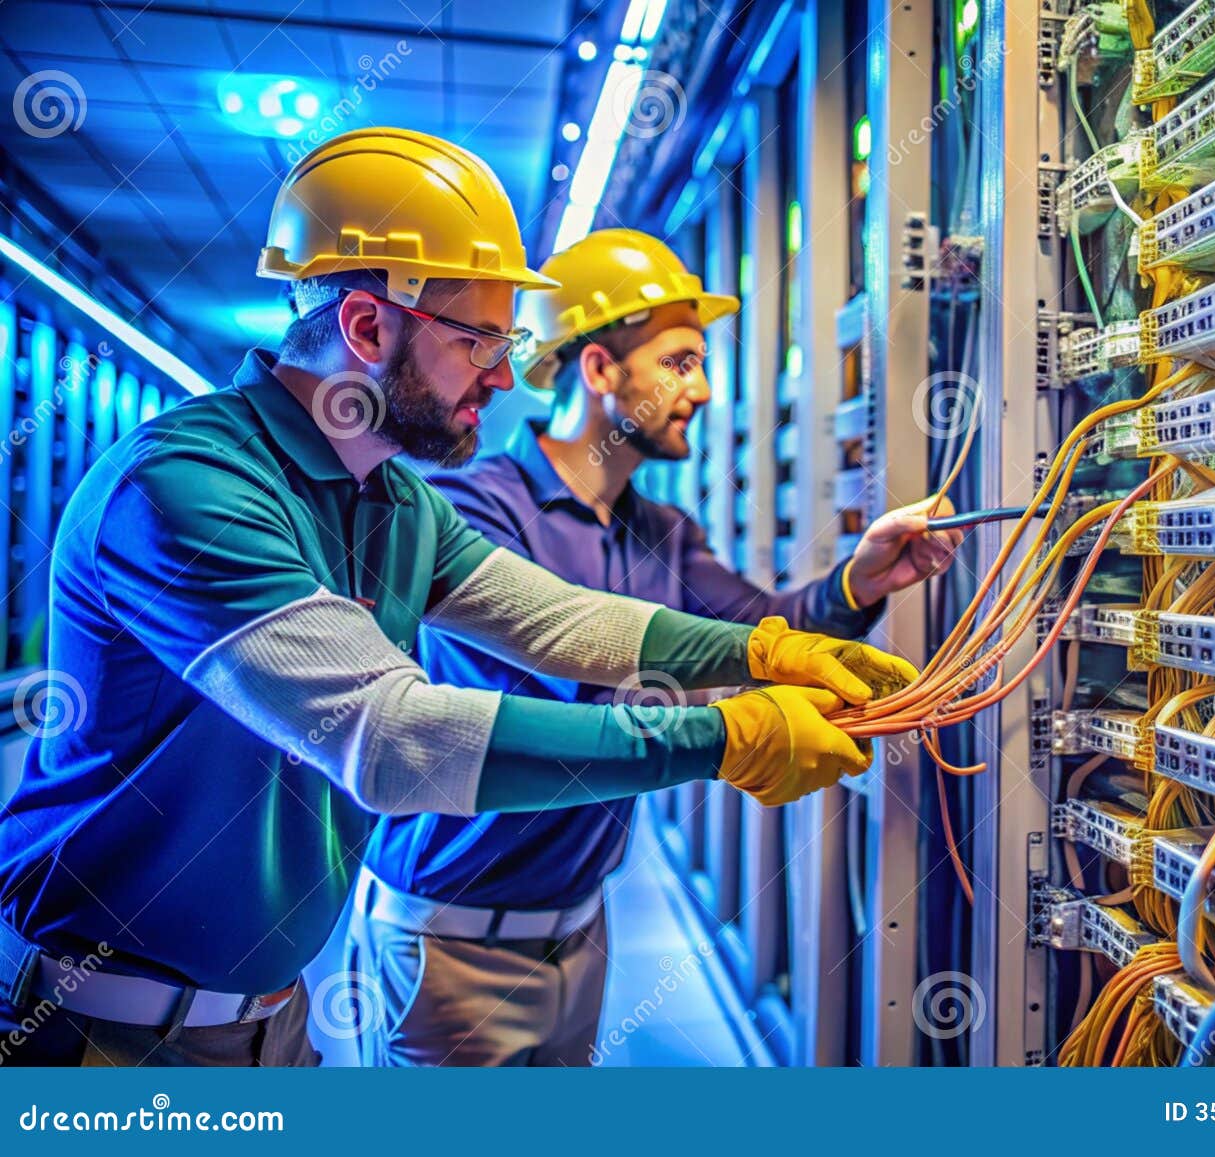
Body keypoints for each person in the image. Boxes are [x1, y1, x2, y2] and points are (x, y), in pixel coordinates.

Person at [0, 129, 915, 1066]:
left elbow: (562, 620)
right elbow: (391, 736)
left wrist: (762, 650)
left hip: (272, 1016)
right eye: (480, 341)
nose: (506, 375)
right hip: (96, 1028)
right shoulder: (189, 486)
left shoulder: (397, 502)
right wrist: (721, 740)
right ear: (367, 328)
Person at [351, 229, 963, 1066]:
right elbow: (559, 697)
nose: (702, 389)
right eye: (679, 362)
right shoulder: (472, 509)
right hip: (451, 939)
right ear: (600, 370)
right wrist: (730, 731)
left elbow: (764, 631)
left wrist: (858, 581)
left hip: (579, 923)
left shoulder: (661, 532)